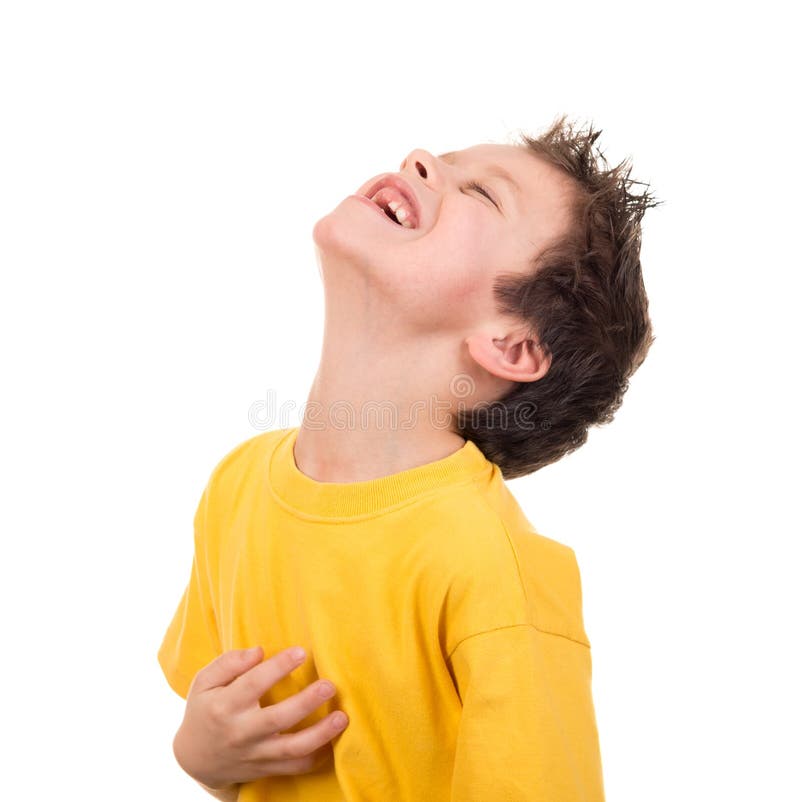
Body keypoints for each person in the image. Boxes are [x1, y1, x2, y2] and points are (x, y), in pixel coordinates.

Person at [157, 114, 659, 801]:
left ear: (510, 345)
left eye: (483, 195)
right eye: (445, 160)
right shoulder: (237, 485)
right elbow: (247, 757)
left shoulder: (489, 565)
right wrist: (203, 754)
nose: (421, 158)